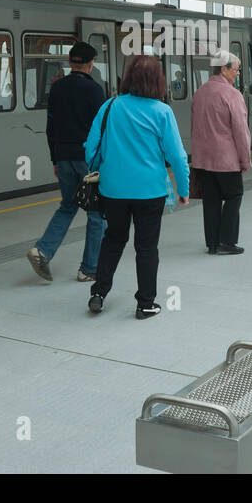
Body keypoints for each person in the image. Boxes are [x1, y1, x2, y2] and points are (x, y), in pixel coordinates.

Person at [85, 55, 189, 319]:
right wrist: (184, 189)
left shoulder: (110, 106)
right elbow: (177, 156)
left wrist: (102, 167)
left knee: (113, 239)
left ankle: (98, 292)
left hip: (113, 190)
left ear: (128, 77)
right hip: (150, 191)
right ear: (158, 81)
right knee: (146, 247)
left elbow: (90, 148)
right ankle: (145, 304)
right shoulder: (162, 112)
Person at [26, 41, 106, 283]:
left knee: (68, 206)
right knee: (96, 213)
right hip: (87, 160)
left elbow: (50, 126)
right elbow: (101, 130)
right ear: (91, 64)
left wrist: (55, 158)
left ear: (70, 63)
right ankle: (89, 268)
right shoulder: (95, 91)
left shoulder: (57, 88)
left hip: (63, 156)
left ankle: (42, 250)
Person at [190, 49, 252, 256]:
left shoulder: (200, 92)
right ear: (224, 69)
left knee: (211, 200)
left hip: (203, 159)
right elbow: (241, 131)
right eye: (236, 70)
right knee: (235, 195)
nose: (237, 74)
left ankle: (212, 243)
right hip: (226, 160)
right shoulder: (232, 95)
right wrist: (245, 160)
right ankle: (227, 241)